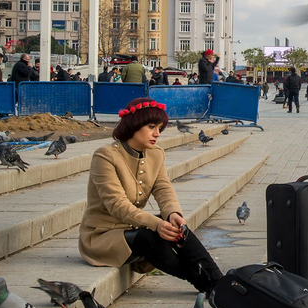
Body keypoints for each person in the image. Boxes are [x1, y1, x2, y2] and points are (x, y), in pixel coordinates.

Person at [78, 97, 223, 295]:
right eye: (151, 126)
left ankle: (219, 281)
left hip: (132, 227)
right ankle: (204, 283)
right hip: (102, 235)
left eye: (160, 128)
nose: (157, 134)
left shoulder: (155, 154)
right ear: (134, 124)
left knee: (177, 228)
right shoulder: (105, 156)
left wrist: (173, 213)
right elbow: (116, 204)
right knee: (150, 235)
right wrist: (156, 223)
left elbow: (163, 189)